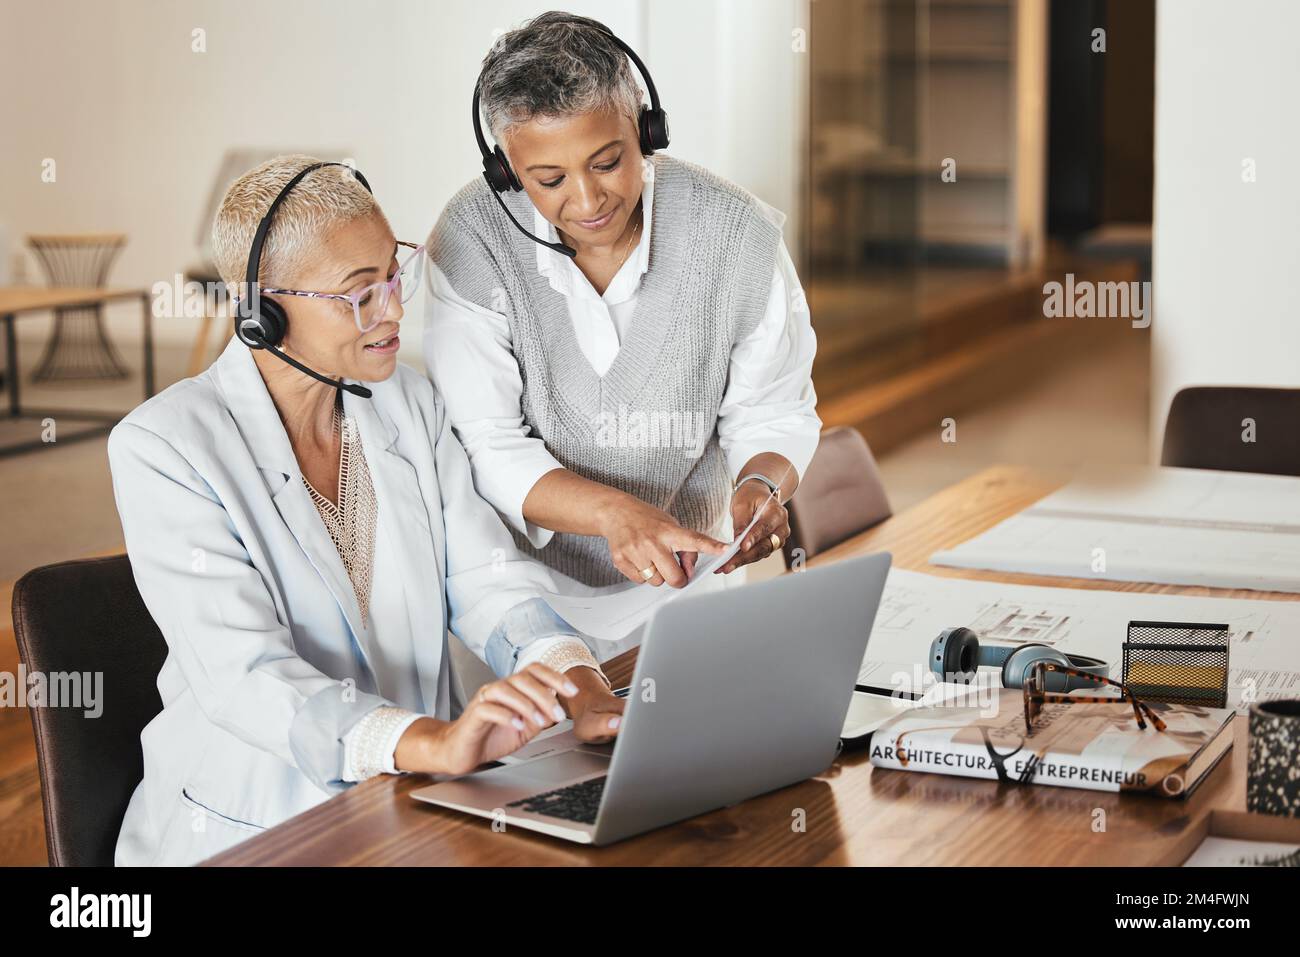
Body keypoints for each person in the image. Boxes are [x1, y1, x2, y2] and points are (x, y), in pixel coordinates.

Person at [108, 155, 623, 866]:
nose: (393, 308)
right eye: (360, 293)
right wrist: (429, 741)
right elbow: (246, 674)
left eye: (393, 273)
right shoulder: (164, 446)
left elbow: (486, 579)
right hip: (258, 833)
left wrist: (579, 683)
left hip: (410, 808)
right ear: (265, 311)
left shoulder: (408, 403)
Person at [425, 12, 821, 659]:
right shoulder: (473, 238)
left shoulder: (737, 234)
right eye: (547, 180)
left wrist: (763, 487)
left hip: (690, 579)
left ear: (645, 127)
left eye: (607, 162)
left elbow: (773, 408)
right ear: (506, 169)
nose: (586, 200)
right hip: (522, 594)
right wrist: (614, 514)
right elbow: (488, 442)